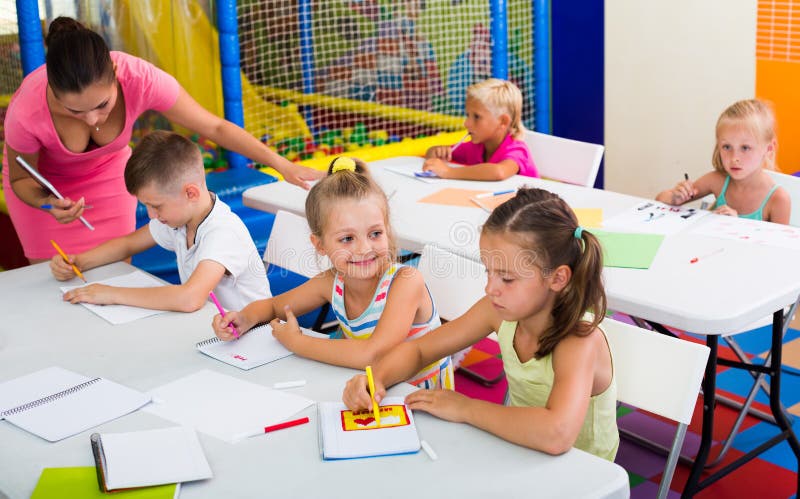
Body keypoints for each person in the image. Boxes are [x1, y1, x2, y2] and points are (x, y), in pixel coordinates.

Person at [4, 16, 322, 263]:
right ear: (52, 90)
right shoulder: (27, 109)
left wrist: (282, 165)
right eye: (74, 111)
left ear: (115, 71)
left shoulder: (140, 79)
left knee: (114, 273)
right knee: (53, 283)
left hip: (107, 178)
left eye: (102, 105)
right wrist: (47, 202)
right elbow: (21, 177)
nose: (92, 119)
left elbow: (215, 128)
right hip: (45, 191)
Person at [342, 188, 619, 461]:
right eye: (489, 271)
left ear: (557, 279)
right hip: (520, 450)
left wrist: (466, 408)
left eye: (507, 278)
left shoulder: (579, 340)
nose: (490, 288)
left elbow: (557, 434)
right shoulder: (497, 310)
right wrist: (375, 379)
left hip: (583, 473)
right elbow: (420, 350)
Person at [211, 156, 454, 390]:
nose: (364, 248)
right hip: (368, 389)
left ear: (387, 230)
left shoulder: (406, 282)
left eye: (375, 234)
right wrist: (244, 318)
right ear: (320, 245)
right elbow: (274, 307)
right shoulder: (330, 282)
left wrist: (298, 342)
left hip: (419, 396)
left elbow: (374, 355)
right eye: (347, 238)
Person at [50, 131, 269, 312]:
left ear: (190, 193)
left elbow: (190, 298)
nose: (151, 215)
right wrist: (79, 262)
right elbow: (127, 244)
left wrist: (111, 294)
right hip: (213, 330)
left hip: (252, 339)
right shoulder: (181, 218)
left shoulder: (223, 232)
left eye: (156, 206)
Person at [656, 99, 791, 224]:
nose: (734, 157)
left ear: (769, 148)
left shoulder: (778, 199)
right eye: (727, 147)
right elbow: (659, 201)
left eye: (745, 148)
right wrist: (674, 198)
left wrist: (737, 226)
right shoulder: (716, 181)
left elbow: (778, 242)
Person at [422, 78, 537, 181]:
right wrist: (436, 152)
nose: (466, 123)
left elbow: (499, 172)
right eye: (468, 115)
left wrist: (448, 172)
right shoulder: (475, 148)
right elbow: (432, 153)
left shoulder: (517, 150)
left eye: (476, 117)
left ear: (503, 122)